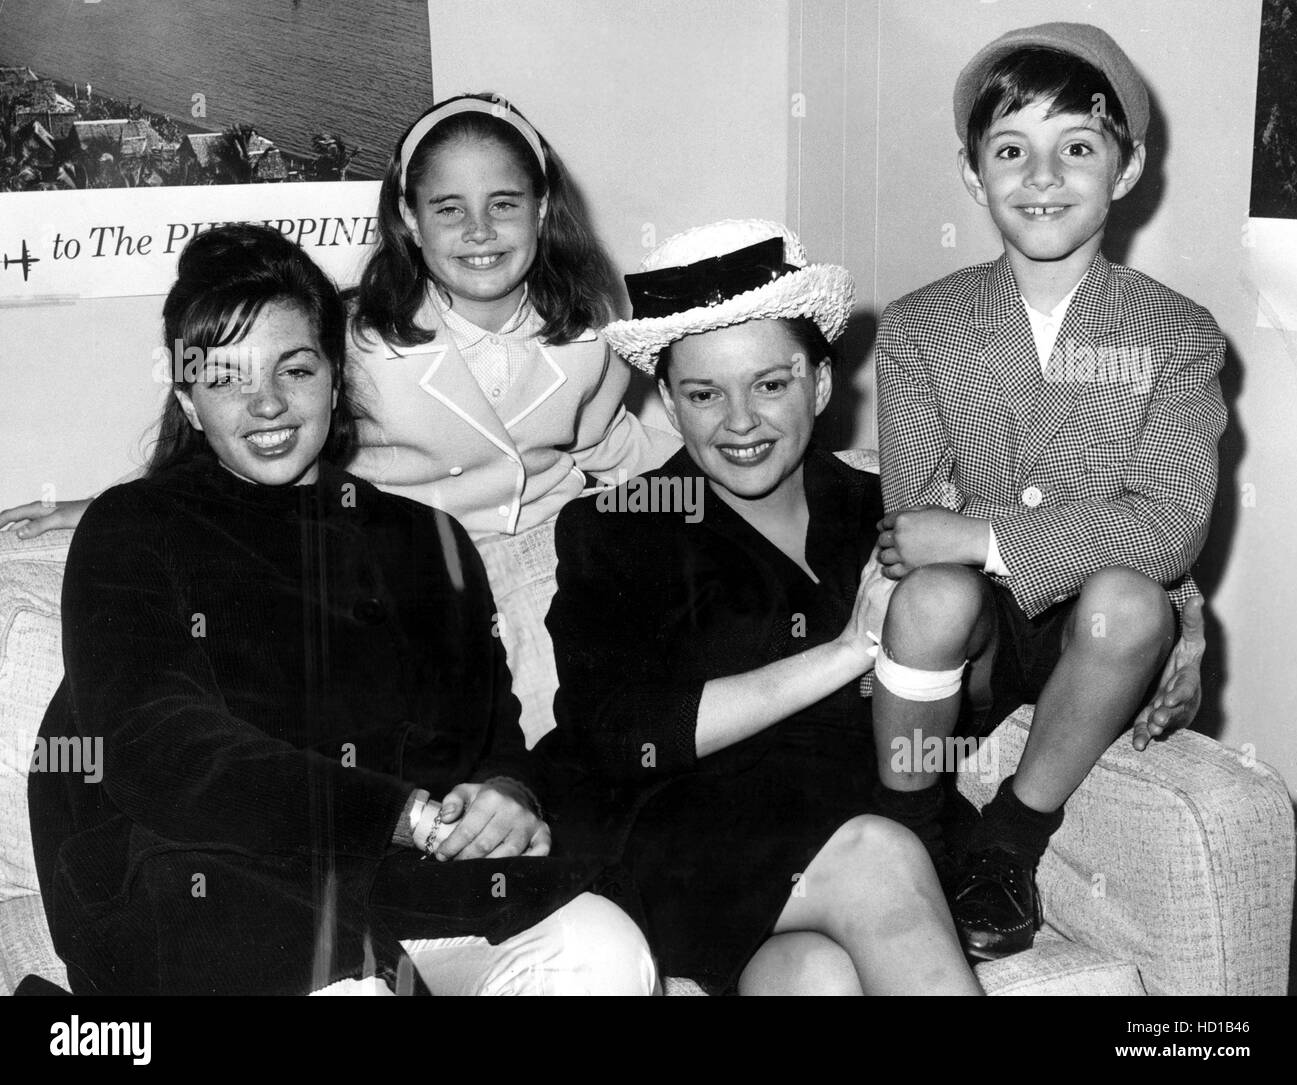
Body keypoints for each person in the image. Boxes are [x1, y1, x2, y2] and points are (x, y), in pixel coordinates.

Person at [27, 224, 656, 996]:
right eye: (226, 378)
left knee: (606, 946)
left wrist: (508, 797)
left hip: (409, 893)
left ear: (334, 378)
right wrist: (401, 814)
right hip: (215, 897)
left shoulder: (428, 541)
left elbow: (494, 738)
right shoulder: (134, 528)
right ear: (189, 403)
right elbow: (156, 745)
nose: (268, 403)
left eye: (296, 368)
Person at [2, 93, 679, 748]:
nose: (479, 232)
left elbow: (609, 441)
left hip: (549, 557)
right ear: (410, 221)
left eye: (504, 204)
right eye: (449, 209)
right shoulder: (355, 340)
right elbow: (248, 438)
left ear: (542, 209)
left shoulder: (594, 329)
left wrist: (716, 478)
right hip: (420, 582)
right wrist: (91, 504)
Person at [541, 219, 983, 996]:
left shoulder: (889, 510)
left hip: (838, 852)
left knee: (819, 979)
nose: (739, 422)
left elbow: (980, 687)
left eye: (770, 385)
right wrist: (848, 651)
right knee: (878, 851)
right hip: (693, 848)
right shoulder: (615, 530)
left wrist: (1172, 615)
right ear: (670, 406)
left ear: (818, 382)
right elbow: (621, 734)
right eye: (704, 394)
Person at [872, 22, 1226, 960]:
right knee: (935, 590)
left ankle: (1009, 838)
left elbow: (1167, 528)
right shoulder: (919, 327)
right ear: (971, 173)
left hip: (1090, 638)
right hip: (975, 637)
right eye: (1010, 150)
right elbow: (914, 530)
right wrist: (961, 548)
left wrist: (981, 535)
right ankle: (909, 818)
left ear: (1128, 165)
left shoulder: (1177, 334)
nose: (1042, 176)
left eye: (1077, 147)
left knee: (1126, 597)